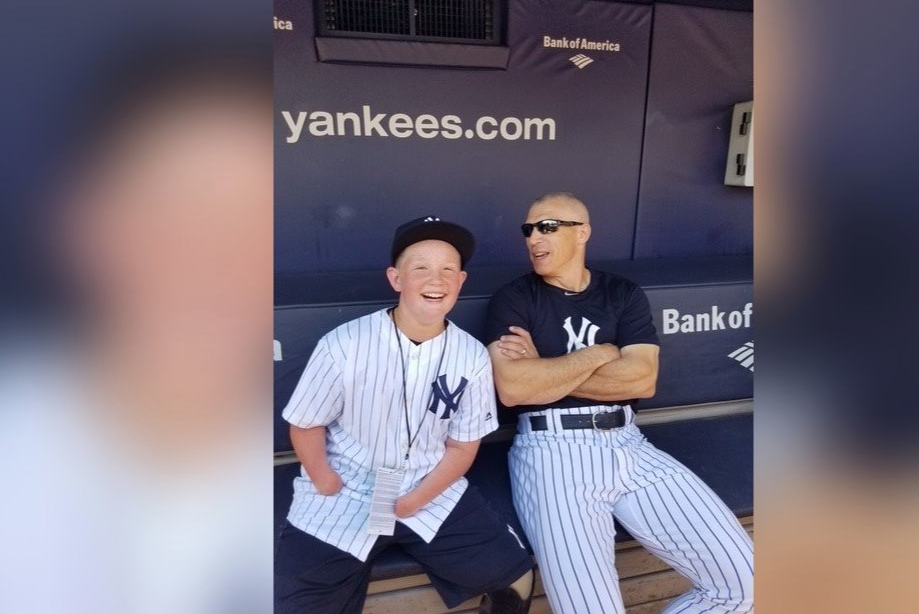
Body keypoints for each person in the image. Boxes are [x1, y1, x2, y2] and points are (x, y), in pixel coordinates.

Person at [485, 192, 754, 614]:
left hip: (630, 444)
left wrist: (548, 368)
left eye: (548, 227)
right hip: (552, 455)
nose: (534, 237)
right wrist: (600, 353)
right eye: (528, 229)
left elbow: (642, 379)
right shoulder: (515, 298)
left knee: (746, 585)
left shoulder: (621, 293)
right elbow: (517, 388)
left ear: (583, 232)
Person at [275, 216, 534, 614]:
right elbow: (305, 423)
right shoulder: (344, 344)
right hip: (346, 488)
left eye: (448, 269)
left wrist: (417, 498)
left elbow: (463, 446)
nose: (437, 279)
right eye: (422, 268)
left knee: (516, 579)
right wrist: (325, 480)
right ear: (396, 279)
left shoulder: (471, 356)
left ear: (461, 281)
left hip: (430, 489)